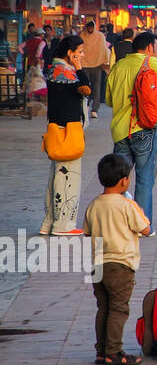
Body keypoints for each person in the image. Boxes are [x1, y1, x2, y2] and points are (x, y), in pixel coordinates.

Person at [83, 153, 150, 365]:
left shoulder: (94, 205)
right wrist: (138, 208)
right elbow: (145, 229)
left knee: (103, 307)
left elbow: (87, 231)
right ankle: (114, 351)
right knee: (119, 308)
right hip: (120, 265)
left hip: (97, 266)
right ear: (124, 181)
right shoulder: (126, 205)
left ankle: (101, 350)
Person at [105, 30, 157, 228]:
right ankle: (143, 225)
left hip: (119, 131)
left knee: (119, 178)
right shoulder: (153, 64)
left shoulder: (118, 66)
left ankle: (117, 223)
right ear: (150, 47)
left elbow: (109, 100)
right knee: (144, 179)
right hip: (144, 129)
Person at [42, 35, 91, 235]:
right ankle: (63, 224)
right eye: (79, 52)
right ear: (70, 54)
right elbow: (87, 89)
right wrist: (79, 66)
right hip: (67, 131)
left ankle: (49, 222)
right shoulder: (67, 74)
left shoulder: (54, 70)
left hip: (56, 128)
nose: (82, 55)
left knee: (56, 175)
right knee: (68, 176)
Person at [80, 20, 111, 119]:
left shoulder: (100, 36)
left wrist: (104, 61)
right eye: (88, 28)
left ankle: (95, 109)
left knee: (96, 87)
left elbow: (103, 49)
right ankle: (85, 105)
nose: (90, 30)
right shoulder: (82, 36)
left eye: (91, 28)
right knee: (85, 87)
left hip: (96, 65)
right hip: (84, 65)